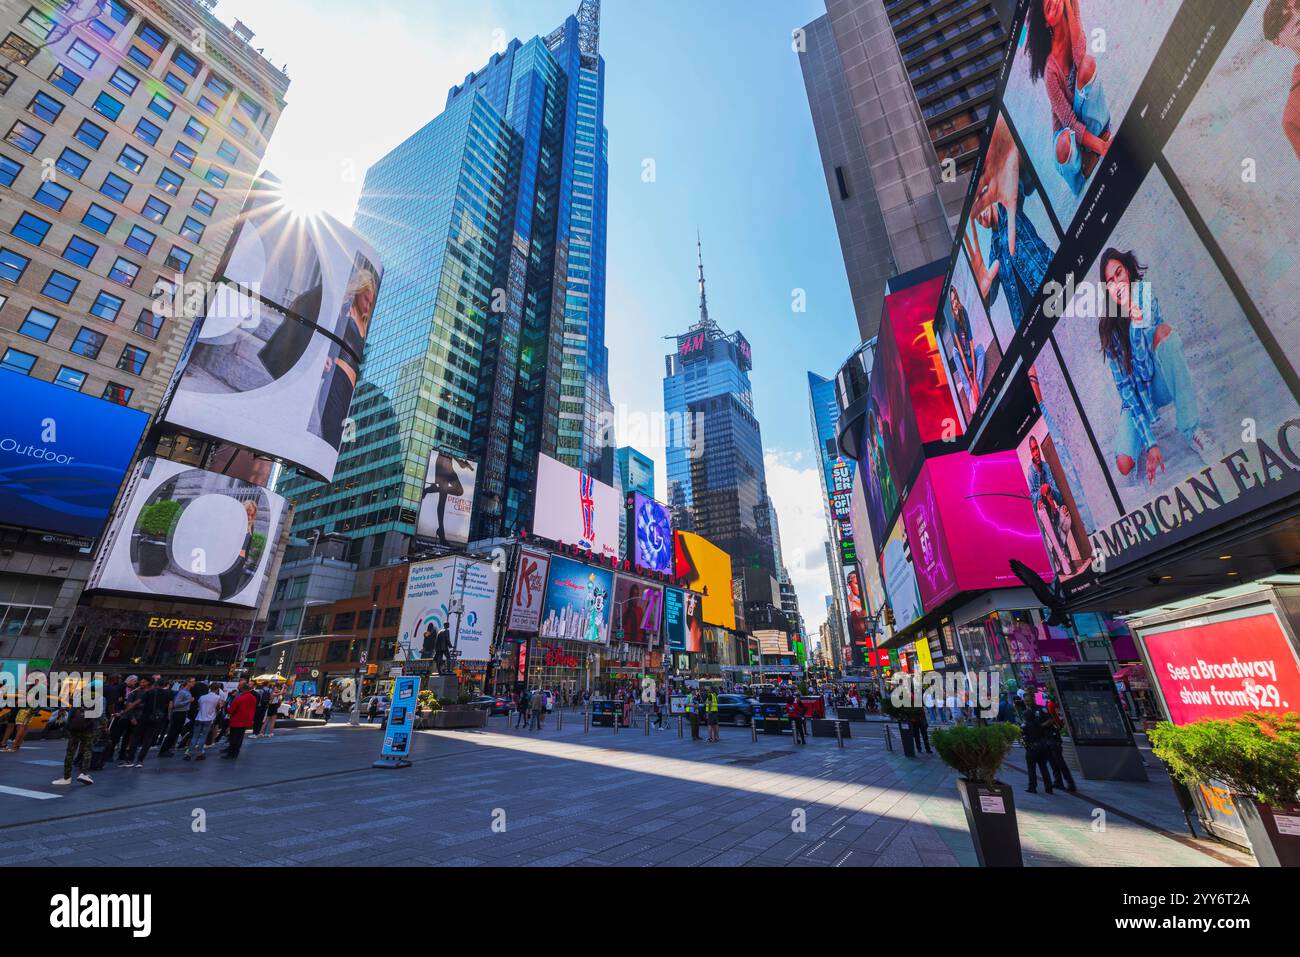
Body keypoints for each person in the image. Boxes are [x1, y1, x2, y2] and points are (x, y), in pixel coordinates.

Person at [1097, 248, 1210, 486]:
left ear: (1127, 271)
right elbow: (1125, 389)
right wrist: (1151, 443)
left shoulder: (1144, 297)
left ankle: (1192, 430)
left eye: (1119, 273)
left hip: (1160, 380)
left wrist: (1134, 321)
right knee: (1124, 465)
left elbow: (1147, 368)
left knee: (1164, 333)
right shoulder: (1108, 329)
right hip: (1139, 396)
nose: (1117, 282)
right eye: (1110, 280)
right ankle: (1140, 432)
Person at [1024, 0, 1112, 195]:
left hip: (1086, 115)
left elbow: (1080, 56)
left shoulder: (1071, 7)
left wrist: (1069, 8)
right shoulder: (1050, 71)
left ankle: (1093, 145)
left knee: (1087, 64)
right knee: (1064, 143)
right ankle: (1082, 164)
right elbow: (1069, 121)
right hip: (1068, 128)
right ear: (1046, 22)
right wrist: (1102, 146)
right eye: (1048, 7)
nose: (1054, 3)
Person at [1264, 0, 1300, 160]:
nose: (1298, 17)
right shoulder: (1293, 115)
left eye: (1299, 6)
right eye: (1286, 19)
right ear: (1277, 41)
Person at [52, 699, 100, 786]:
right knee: (87, 751)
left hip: (74, 731)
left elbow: (69, 714)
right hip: (88, 731)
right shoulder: (97, 701)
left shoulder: (77, 701)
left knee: (70, 752)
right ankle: (84, 774)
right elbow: (99, 717)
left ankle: (66, 777)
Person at [121, 676, 166, 768]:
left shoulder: (149, 692)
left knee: (135, 738)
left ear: (154, 684)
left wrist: (122, 712)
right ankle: (140, 761)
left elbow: (135, 703)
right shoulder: (166, 693)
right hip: (156, 718)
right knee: (147, 740)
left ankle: (130, 759)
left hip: (144, 718)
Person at [1021, 699, 1055, 794]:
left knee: (1031, 769)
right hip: (1043, 747)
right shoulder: (1039, 724)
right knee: (1044, 768)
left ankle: (1032, 786)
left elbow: (1021, 735)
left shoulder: (1025, 726)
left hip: (1032, 748)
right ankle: (1049, 788)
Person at [157, 677, 195, 757]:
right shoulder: (182, 692)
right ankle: (163, 750)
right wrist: (188, 701)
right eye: (192, 681)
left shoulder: (187, 692)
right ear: (188, 682)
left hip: (183, 713)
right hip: (178, 713)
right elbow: (176, 704)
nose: (193, 683)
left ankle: (167, 749)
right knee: (172, 732)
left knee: (175, 732)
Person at [186, 683, 222, 761]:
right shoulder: (217, 697)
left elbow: (199, 706)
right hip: (208, 719)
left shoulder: (202, 697)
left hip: (199, 717)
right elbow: (218, 707)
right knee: (203, 736)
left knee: (195, 736)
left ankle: (189, 753)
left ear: (210, 688)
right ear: (217, 689)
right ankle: (199, 753)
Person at [222, 682, 257, 760]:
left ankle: (231, 753)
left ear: (243, 690)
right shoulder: (253, 698)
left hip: (237, 720)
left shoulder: (240, 698)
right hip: (246, 720)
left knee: (234, 737)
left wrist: (225, 707)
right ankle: (236, 752)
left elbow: (231, 710)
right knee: (240, 737)